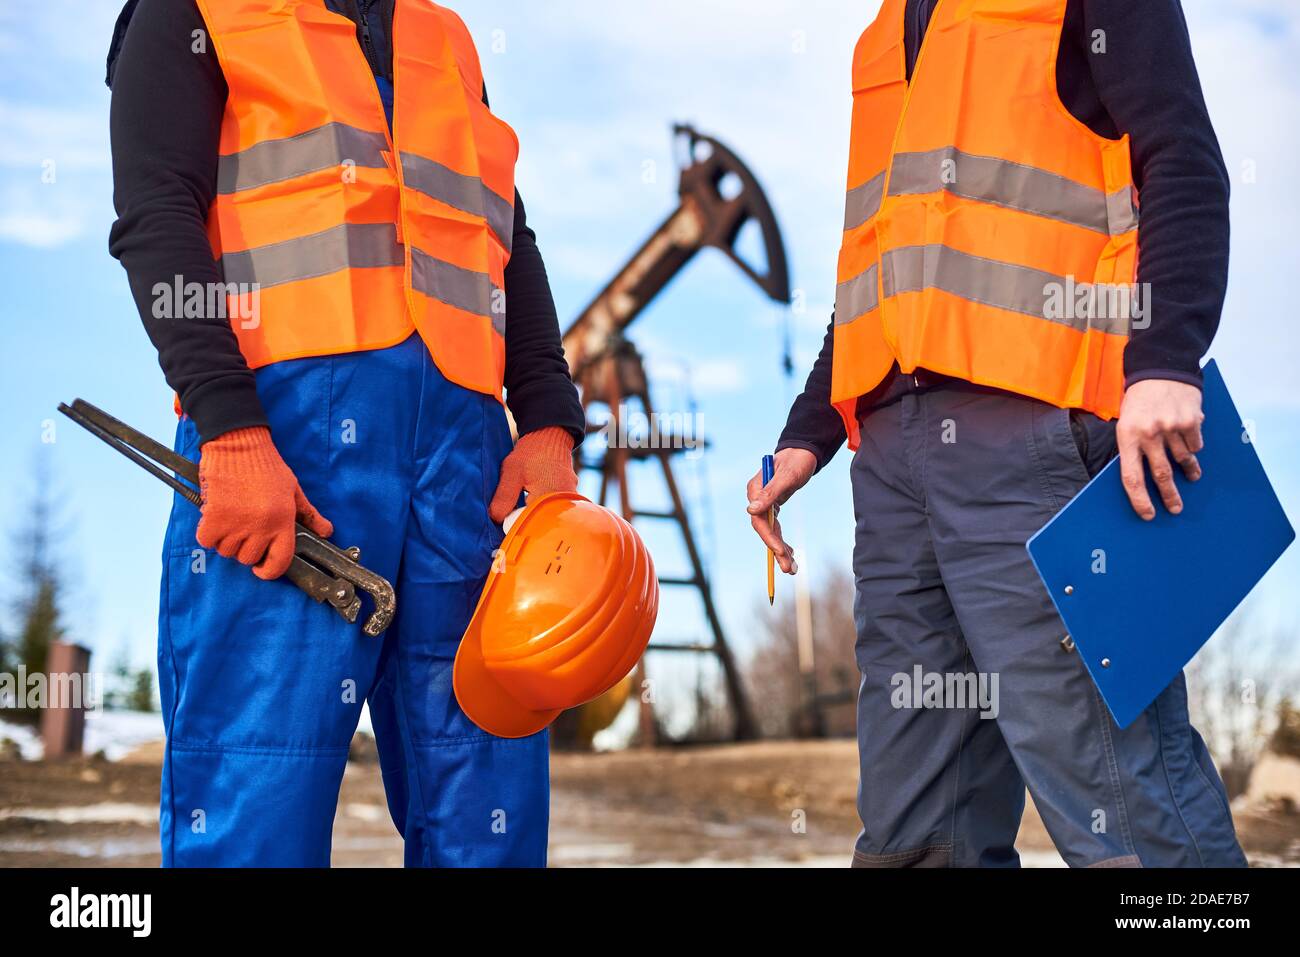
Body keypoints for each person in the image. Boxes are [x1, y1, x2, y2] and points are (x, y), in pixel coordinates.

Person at [747, 0, 1246, 867]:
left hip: (1038, 438)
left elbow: (1183, 159)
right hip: (895, 466)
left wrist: (1167, 358)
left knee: (1125, 810)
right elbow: (887, 267)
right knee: (916, 832)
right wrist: (809, 431)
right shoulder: (889, 35)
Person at [107, 0, 584, 867]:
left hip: (467, 465)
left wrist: (548, 416)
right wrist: (230, 430)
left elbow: (509, 234)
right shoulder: (197, 11)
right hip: (285, 449)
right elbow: (155, 211)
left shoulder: (444, 38)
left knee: (488, 808)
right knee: (257, 807)